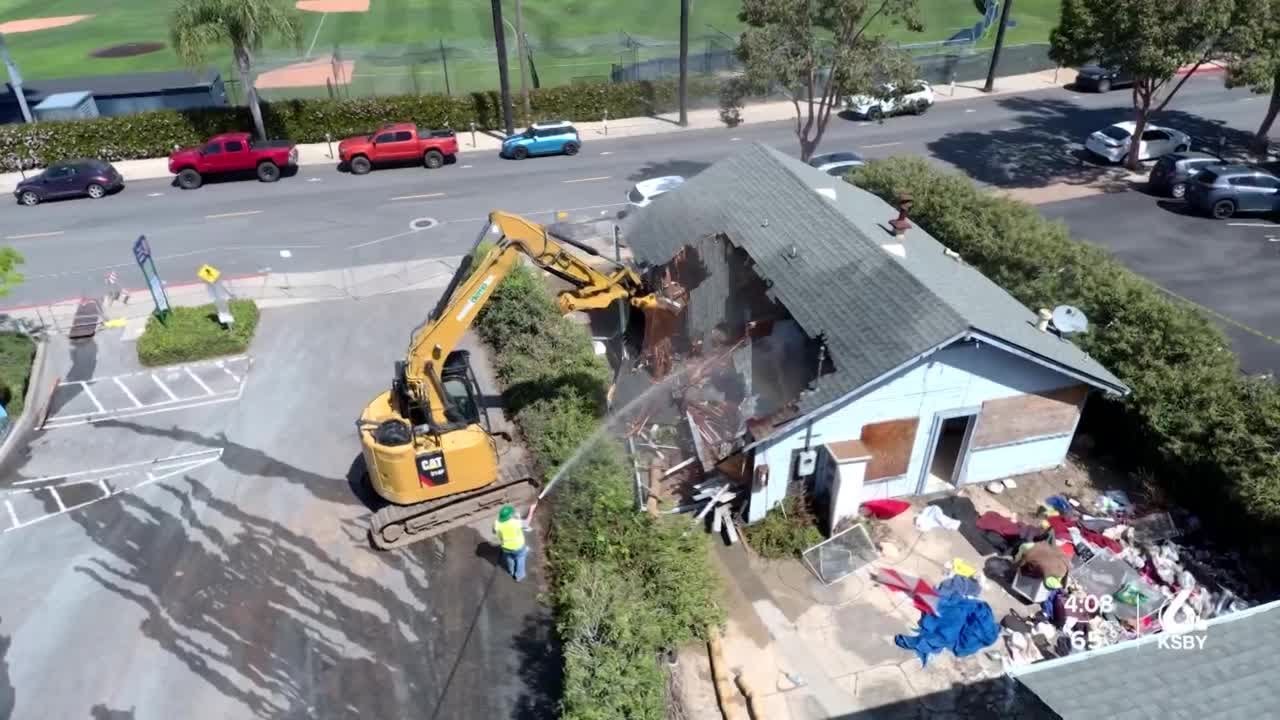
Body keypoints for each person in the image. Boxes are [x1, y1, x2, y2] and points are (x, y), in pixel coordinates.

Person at [493, 504, 529, 582]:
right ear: (510, 516)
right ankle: (519, 576)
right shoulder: (516, 522)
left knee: (509, 559)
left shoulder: (497, 523)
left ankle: (511, 571)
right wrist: (519, 518)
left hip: (505, 547)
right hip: (518, 546)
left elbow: (494, 531)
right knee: (520, 559)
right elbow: (526, 525)